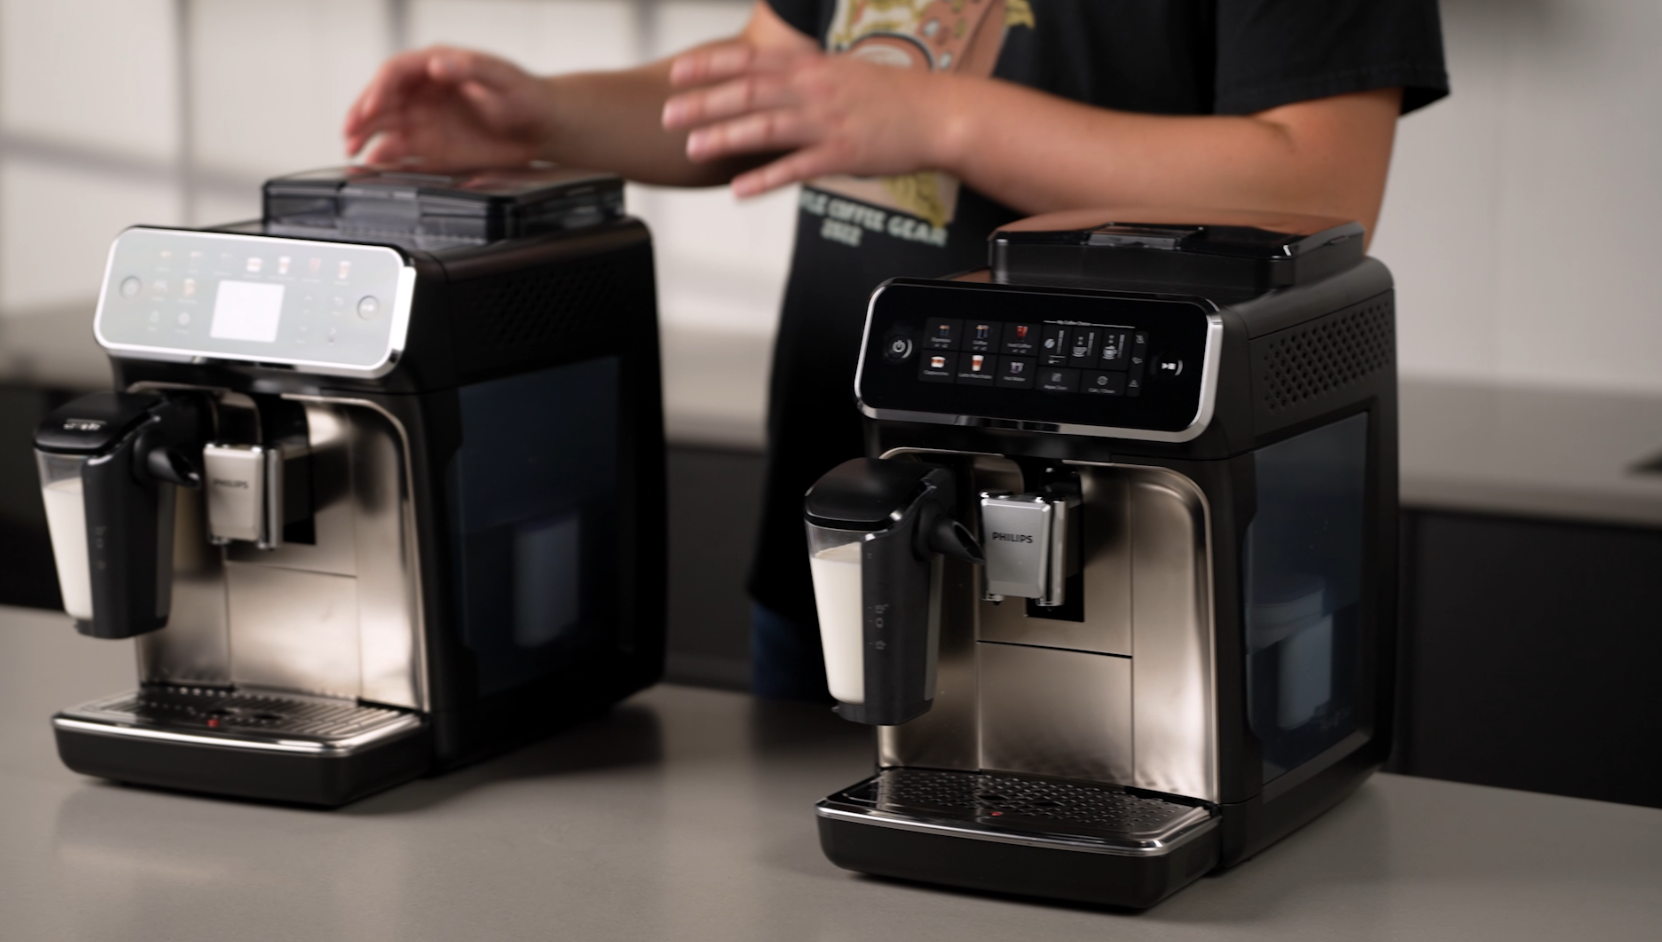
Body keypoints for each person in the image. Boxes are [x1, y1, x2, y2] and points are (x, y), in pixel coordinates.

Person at [345, 0, 1448, 701]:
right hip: (838, 548)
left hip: (1120, 580)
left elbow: (1319, 181)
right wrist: (542, 117)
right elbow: (774, 73)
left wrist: (941, 119)